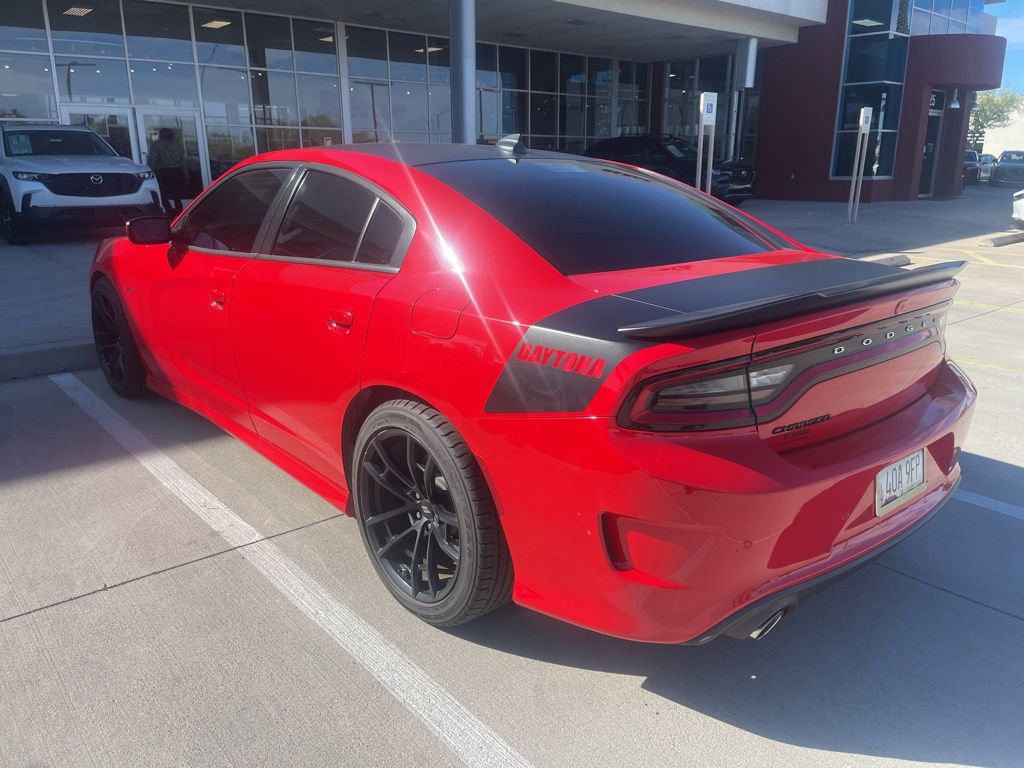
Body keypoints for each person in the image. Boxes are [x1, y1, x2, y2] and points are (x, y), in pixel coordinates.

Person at [148, 127, 188, 215]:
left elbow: (152, 161)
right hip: (177, 172)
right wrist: (186, 175)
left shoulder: (156, 145)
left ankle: (170, 213)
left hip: (163, 174)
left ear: (160, 135)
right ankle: (179, 215)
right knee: (177, 196)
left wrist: (150, 173)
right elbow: (183, 162)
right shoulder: (179, 145)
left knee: (163, 196)